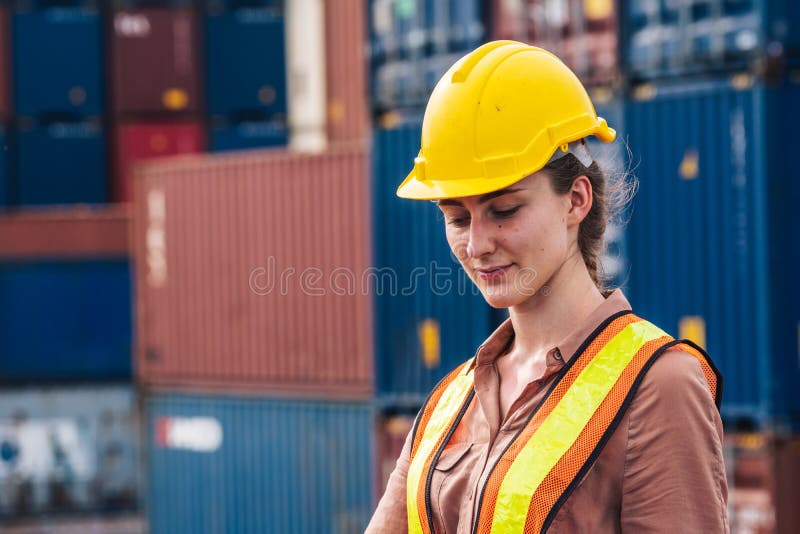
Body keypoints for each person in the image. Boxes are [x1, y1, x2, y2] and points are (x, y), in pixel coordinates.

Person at [366, 41, 728, 533]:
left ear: (576, 200)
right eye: (456, 217)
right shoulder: (447, 403)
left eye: (505, 210)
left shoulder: (657, 386)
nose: (477, 244)